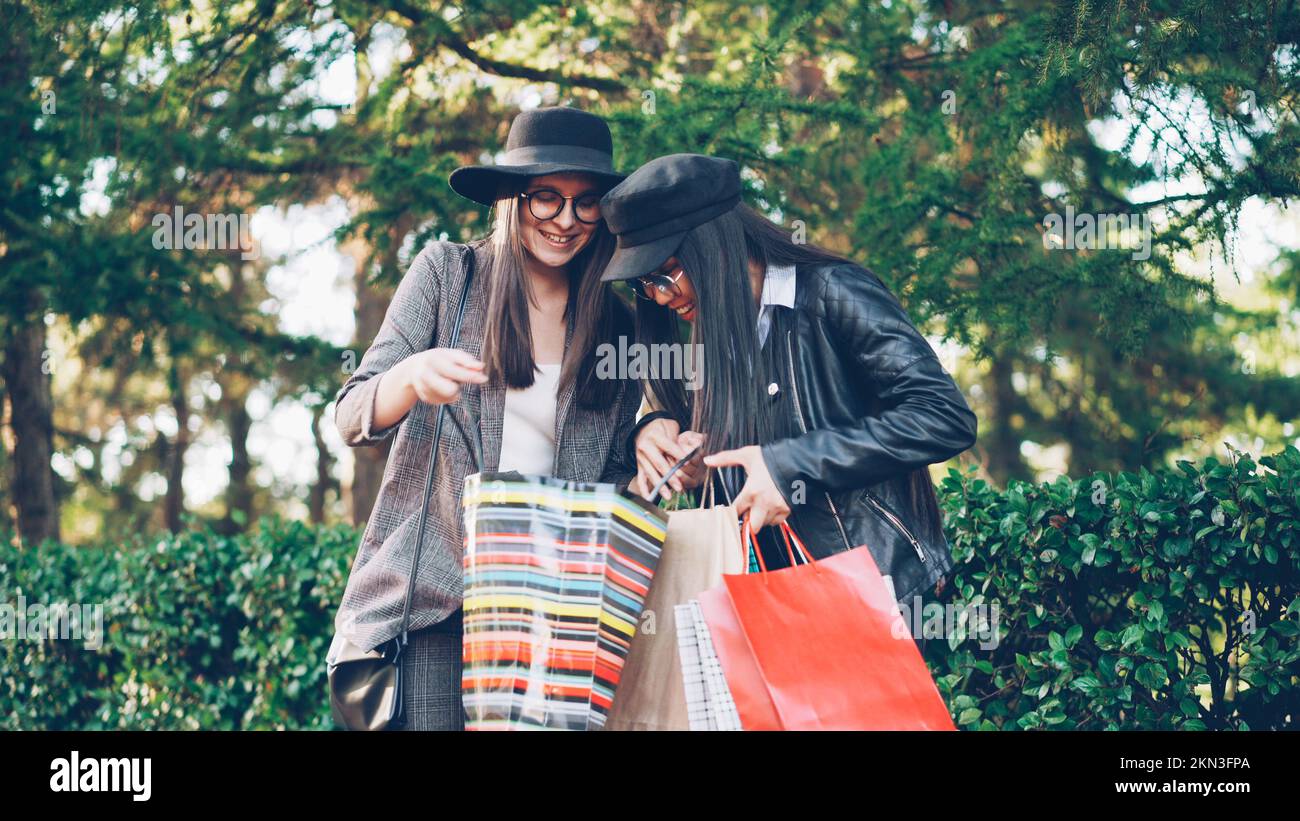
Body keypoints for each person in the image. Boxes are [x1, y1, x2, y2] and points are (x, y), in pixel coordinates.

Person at [332, 107, 641, 730]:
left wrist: (650, 438)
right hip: (435, 607)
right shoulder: (448, 276)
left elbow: (613, 477)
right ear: (510, 198)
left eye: (585, 204)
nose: (565, 220)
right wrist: (408, 378)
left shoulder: (619, 324)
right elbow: (350, 415)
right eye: (545, 198)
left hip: (551, 617)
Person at [600, 152, 978, 605]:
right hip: (774, 611)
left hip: (879, 598)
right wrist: (699, 465)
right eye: (645, 284)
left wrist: (793, 464)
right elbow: (753, 468)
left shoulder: (833, 292)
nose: (660, 298)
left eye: (666, 275)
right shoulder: (712, 336)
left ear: (715, 247)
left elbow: (944, 417)